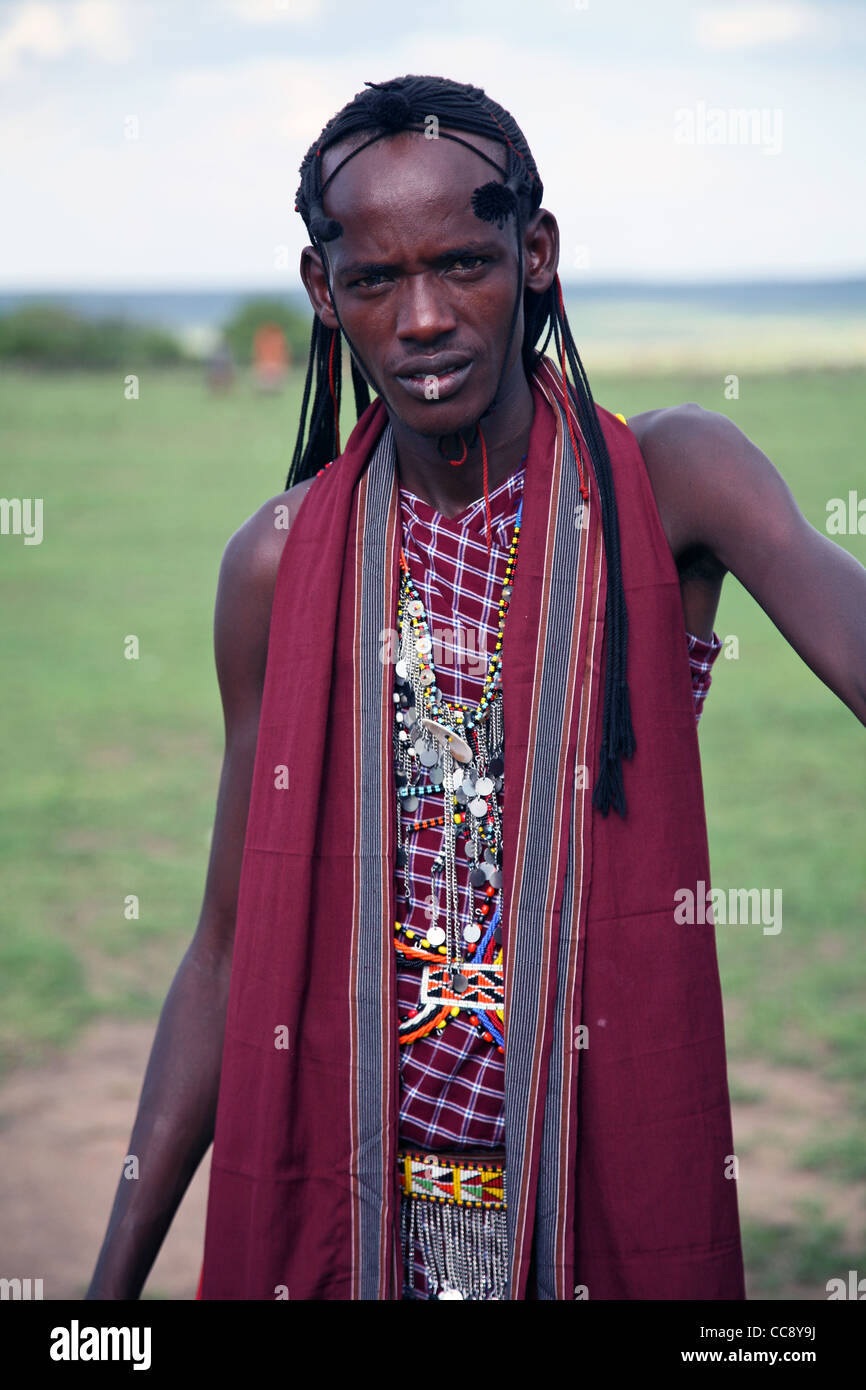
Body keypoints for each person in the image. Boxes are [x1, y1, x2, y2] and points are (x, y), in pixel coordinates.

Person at [87, 75, 866, 1302]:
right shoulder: (279, 565)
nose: (423, 319)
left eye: (463, 262)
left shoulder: (667, 481)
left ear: (535, 253)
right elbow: (228, 949)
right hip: (362, 1211)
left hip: (588, 1184)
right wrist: (102, 1299)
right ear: (319, 293)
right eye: (374, 281)